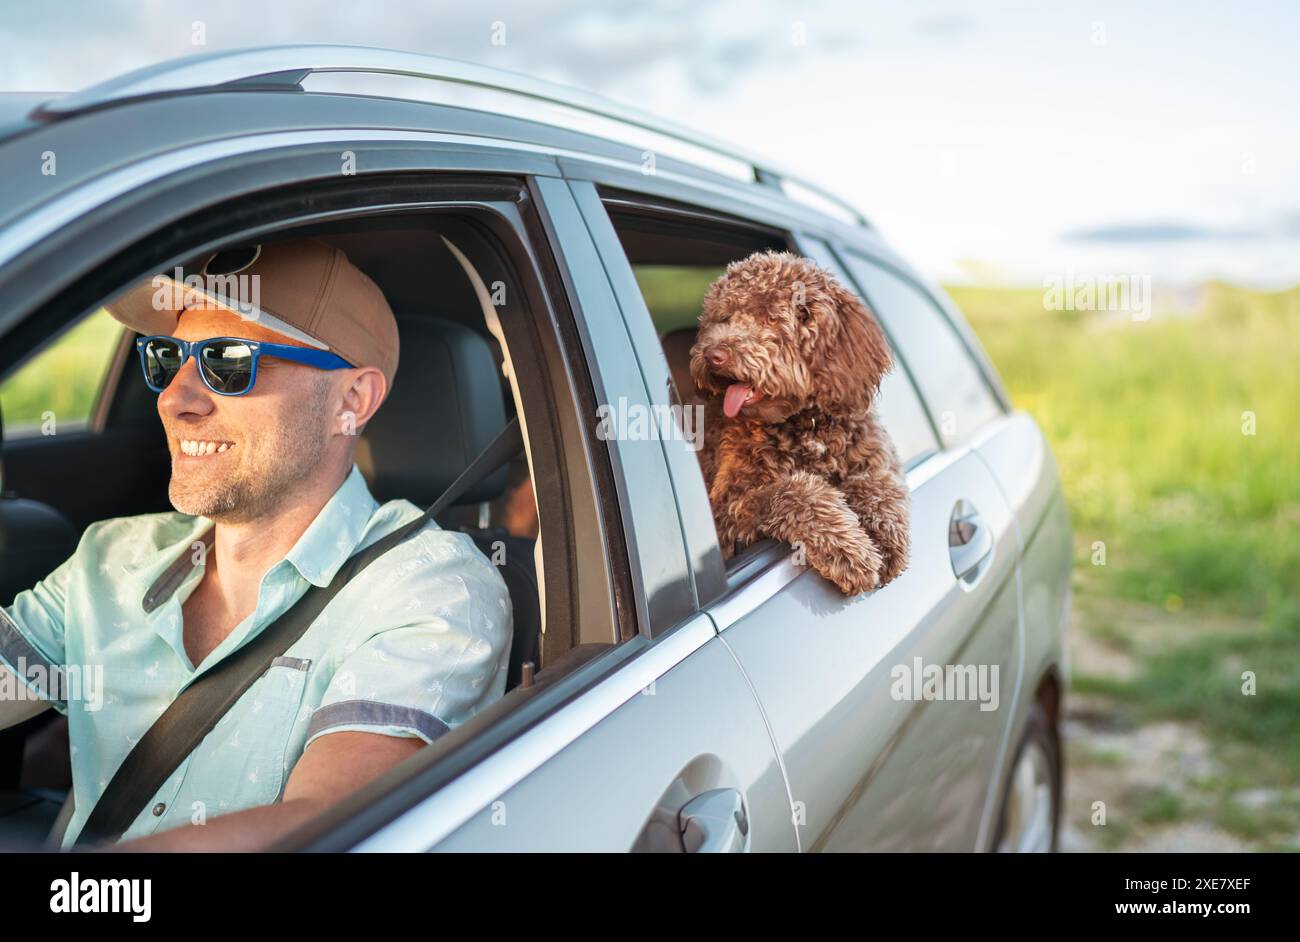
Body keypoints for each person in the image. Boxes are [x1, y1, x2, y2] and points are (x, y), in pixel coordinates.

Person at [0, 239, 512, 850]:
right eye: (166, 358)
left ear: (352, 401)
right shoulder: (111, 558)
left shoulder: (429, 590)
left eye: (230, 362)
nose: (174, 398)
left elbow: (326, 827)